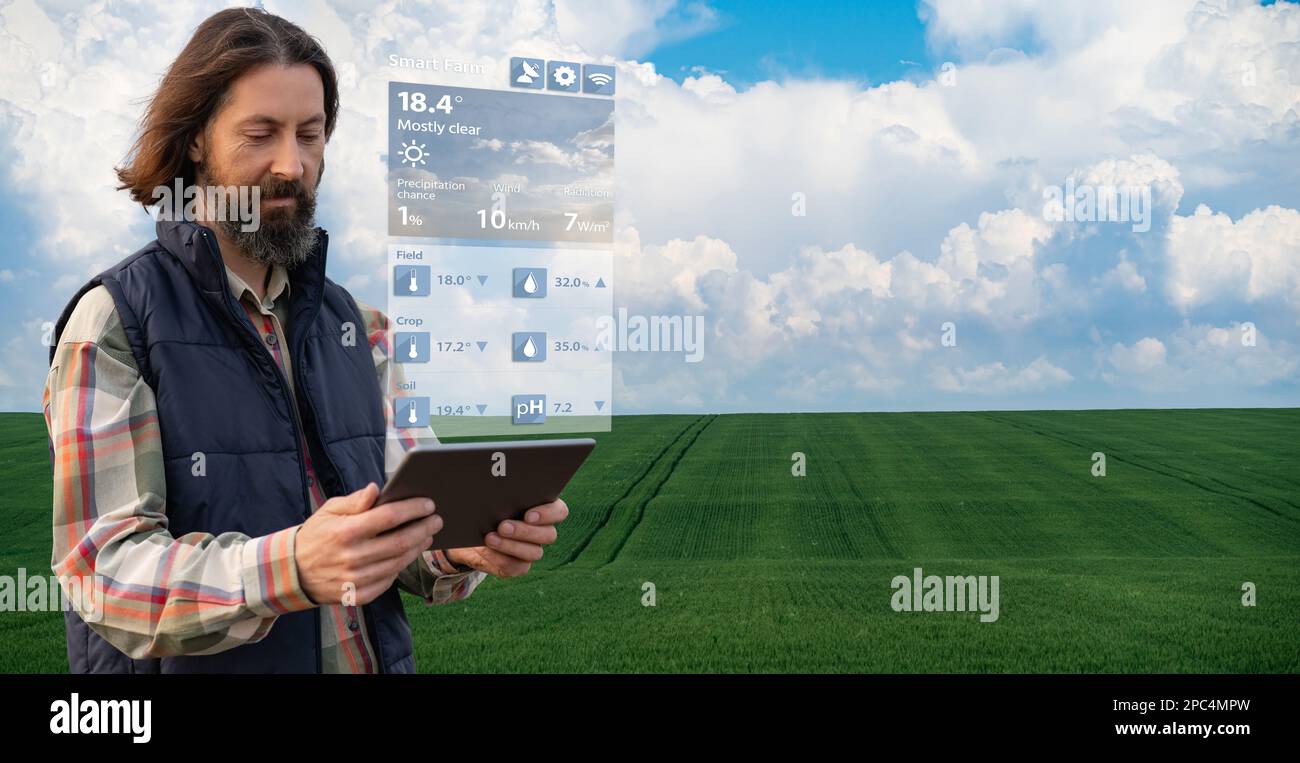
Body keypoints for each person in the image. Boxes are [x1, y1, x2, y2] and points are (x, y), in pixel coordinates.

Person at [43, 6, 567, 673]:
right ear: (198, 139)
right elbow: (103, 574)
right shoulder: (115, 322)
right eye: (261, 134)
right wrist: (288, 567)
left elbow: (405, 529)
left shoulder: (364, 330)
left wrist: (462, 544)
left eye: (309, 134)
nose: (291, 165)